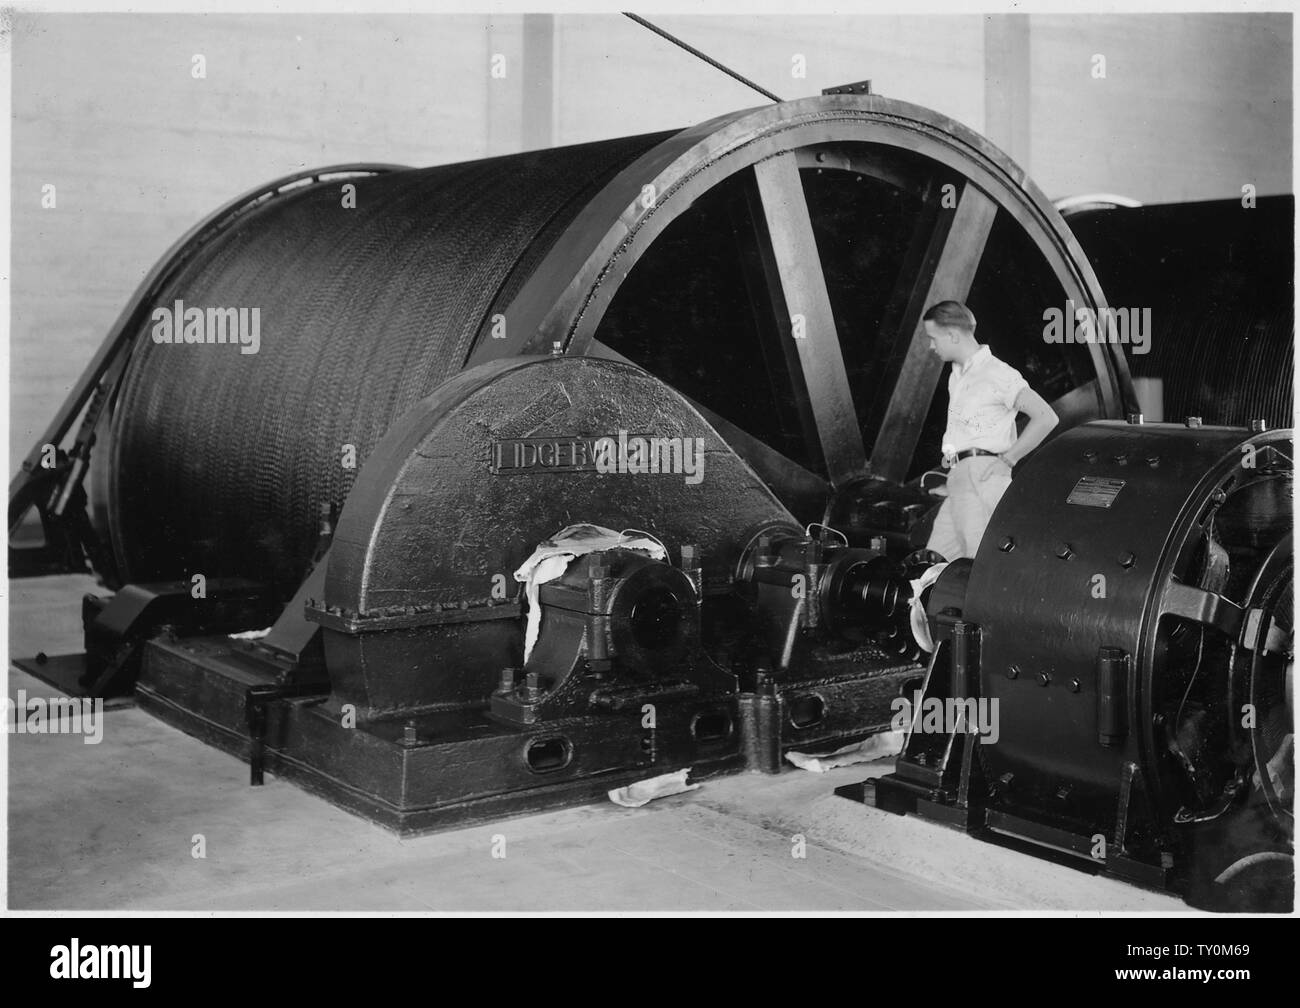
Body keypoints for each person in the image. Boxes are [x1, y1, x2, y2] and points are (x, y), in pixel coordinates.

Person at [921, 300, 1058, 561]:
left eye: (933, 338)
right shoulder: (957, 376)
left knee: (977, 565)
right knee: (933, 563)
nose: (931, 346)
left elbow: (1046, 417)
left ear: (952, 335)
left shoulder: (997, 373)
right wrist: (955, 479)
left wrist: (1008, 459)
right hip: (962, 480)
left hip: (982, 477)